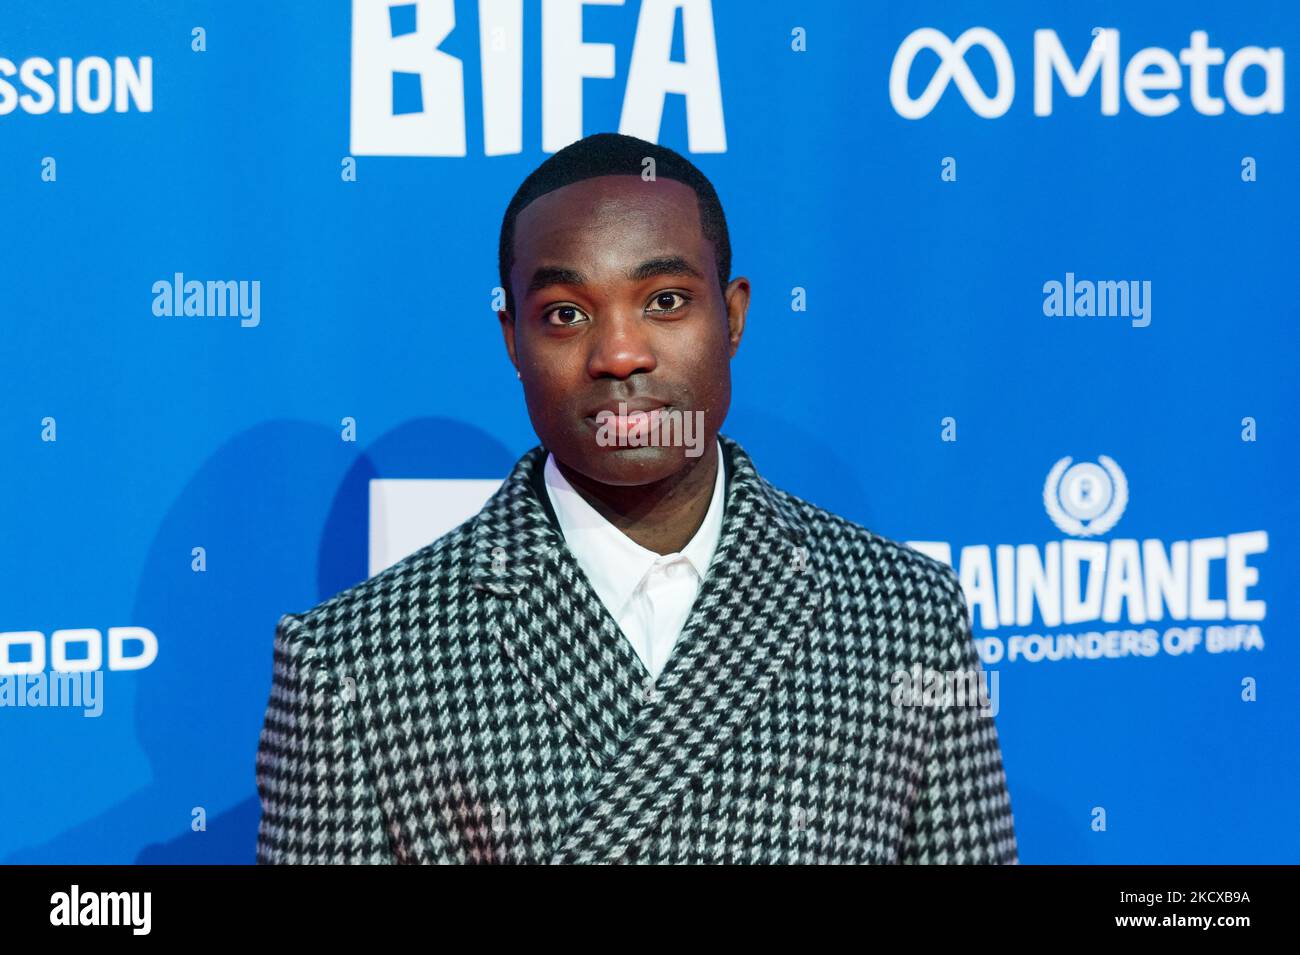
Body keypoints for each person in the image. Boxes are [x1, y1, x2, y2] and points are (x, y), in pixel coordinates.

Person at [255, 132, 1017, 864]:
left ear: (735, 316)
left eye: (664, 300)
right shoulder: (356, 664)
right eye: (566, 314)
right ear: (513, 342)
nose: (620, 352)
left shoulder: (906, 614)